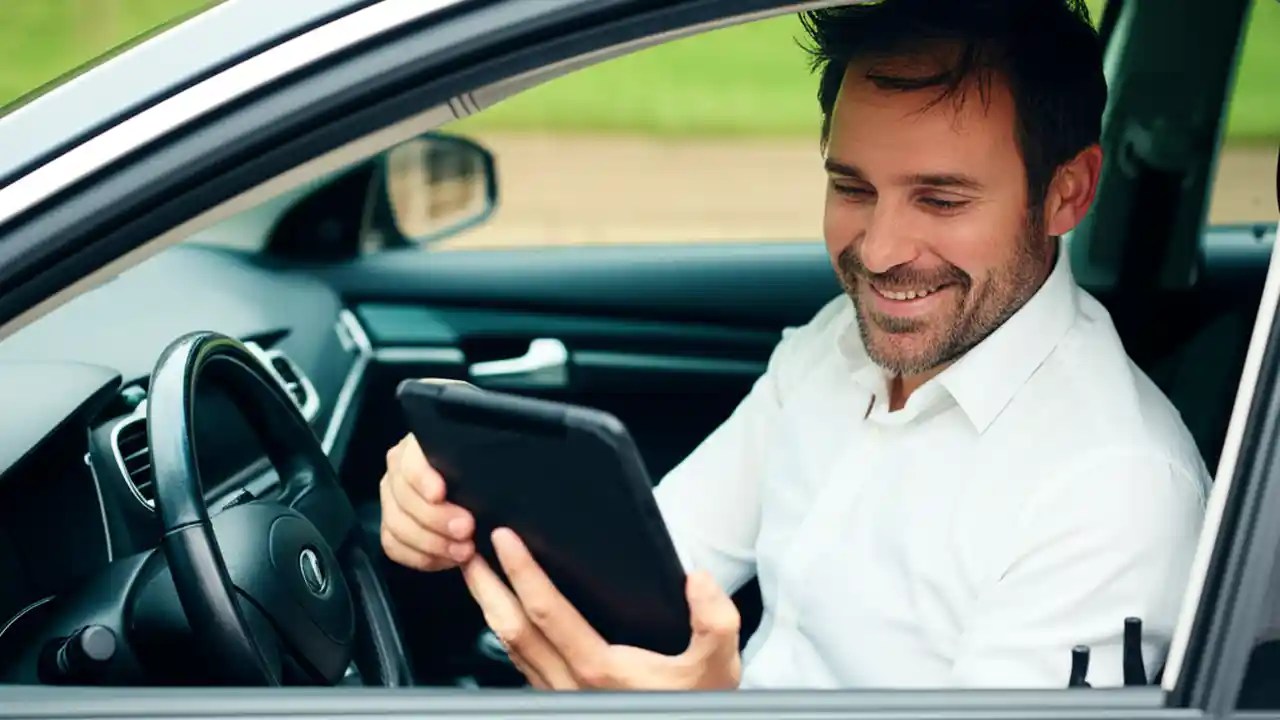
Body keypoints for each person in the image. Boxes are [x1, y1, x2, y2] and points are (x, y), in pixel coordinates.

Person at [378, 0, 1210, 690]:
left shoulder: (1115, 496)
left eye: (941, 199)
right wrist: (452, 507)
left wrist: (714, 716)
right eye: (852, 187)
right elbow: (654, 559)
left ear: (1068, 191)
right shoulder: (832, 346)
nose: (880, 252)